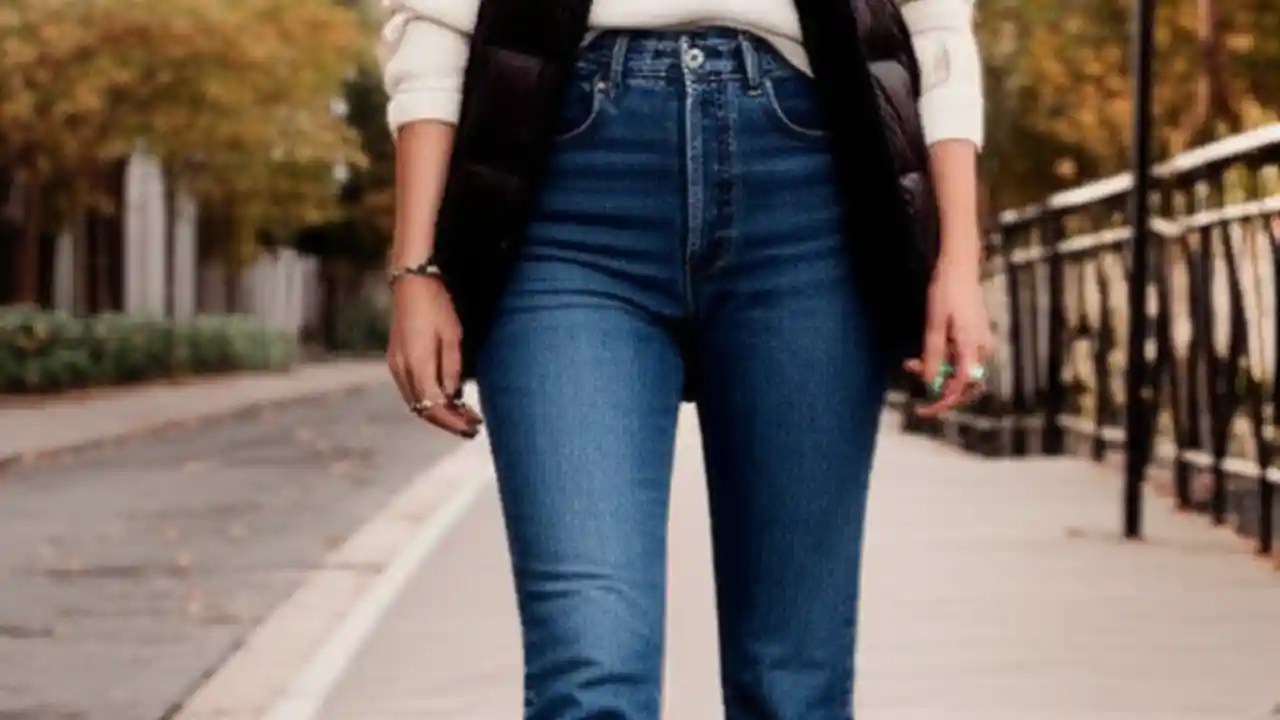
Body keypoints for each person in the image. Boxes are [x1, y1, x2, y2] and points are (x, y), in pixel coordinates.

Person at [380, 0, 992, 717]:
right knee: (588, 668)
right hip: (567, 194)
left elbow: (938, 26)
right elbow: (435, 18)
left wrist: (959, 257)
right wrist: (415, 265)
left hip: (807, 194)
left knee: (793, 684)